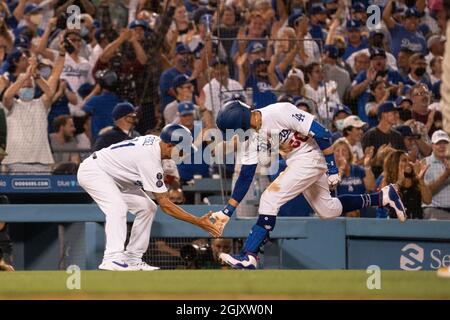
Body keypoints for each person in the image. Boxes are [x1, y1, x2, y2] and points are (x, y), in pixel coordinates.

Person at [210, 100, 407, 269]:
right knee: (328, 210)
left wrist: (331, 168)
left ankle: (249, 254)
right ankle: (383, 197)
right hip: (298, 160)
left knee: (270, 198)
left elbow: (322, 133)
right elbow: (245, 176)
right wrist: (228, 210)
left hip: (312, 156)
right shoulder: (251, 139)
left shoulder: (278, 111)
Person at [77, 124, 220, 271]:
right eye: (182, 149)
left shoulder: (157, 145)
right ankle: (112, 257)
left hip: (116, 177)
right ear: (169, 145)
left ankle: (133, 258)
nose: (184, 154)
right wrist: (197, 221)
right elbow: (165, 205)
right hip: (95, 172)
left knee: (147, 207)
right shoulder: (150, 158)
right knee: (117, 207)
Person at [362, 101, 406, 177]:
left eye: (397, 113)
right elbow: (364, 164)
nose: (397, 115)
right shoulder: (370, 135)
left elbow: (404, 158)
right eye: (394, 112)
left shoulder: (398, 136)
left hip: (395, 178)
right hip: (376, 179)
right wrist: (378, 158)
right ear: (383, 115)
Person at [423, 130, 450, 220]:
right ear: (432, 146)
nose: (442, 147)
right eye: (438, 143)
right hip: (434, 210)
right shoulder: (424, 163)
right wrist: (446, 175)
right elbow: (426, 193)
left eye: (445, 143)